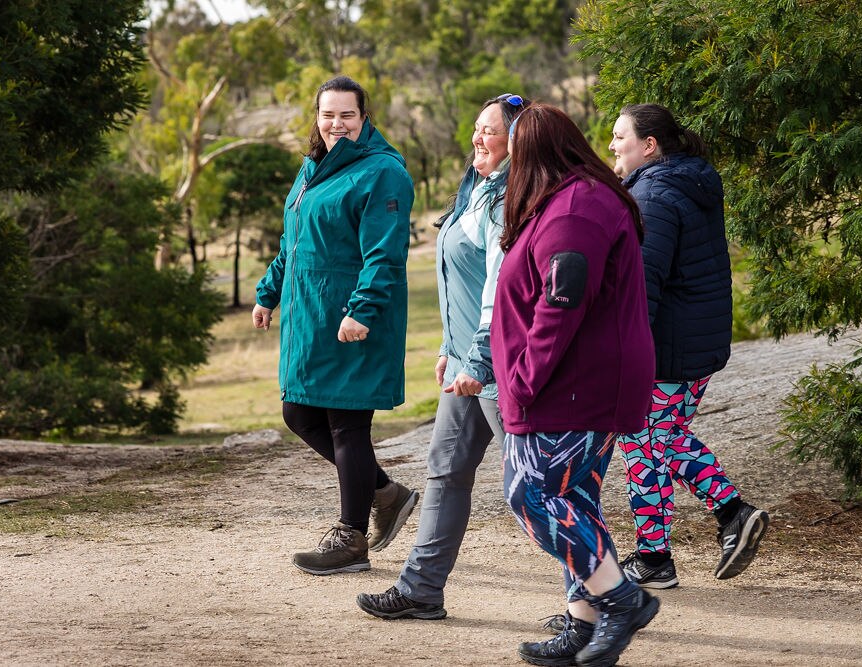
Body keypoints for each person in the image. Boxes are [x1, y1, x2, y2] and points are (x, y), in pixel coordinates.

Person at [356, 93, 531, 620]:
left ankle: (600, 595)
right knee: (446, 471)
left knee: (538, 489)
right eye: (476, 129)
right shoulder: (475, 188)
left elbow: (498, 291)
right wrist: (448, 350)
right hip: (466, 364)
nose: (478, 138)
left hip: (498, 368)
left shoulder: (508, 201)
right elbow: (461, 280)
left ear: (517, 142)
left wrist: (477, 362)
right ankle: (421, 590)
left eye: (490, 131)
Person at [494, 103, 658, 667]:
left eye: (515, 154)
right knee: (575, 501)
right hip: (570, 382)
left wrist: (521, 379)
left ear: (533, 155)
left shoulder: (575, 212)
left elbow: (560, 306)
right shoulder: (567, 201)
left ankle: (621, 598)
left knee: (532, 495)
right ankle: (584, 622)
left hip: (572, 384)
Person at [252, 76, 418, 576]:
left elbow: (385, 254)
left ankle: (351, 539)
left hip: (352, 319)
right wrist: (268, 292)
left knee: (347, 424)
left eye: (347, 115)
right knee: (298, 414)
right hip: (309, 320)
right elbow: (292, 242)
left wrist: (362, 310)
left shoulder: (382, 173)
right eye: (328, 114)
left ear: (364, 118)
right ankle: (386, 493)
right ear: (317, 117)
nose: (336, 124)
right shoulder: (311, 170)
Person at [609, 103, 769, 588]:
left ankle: (657, 556)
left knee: (642, 441)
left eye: (620, 137)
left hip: (667, 347)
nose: (613, 145)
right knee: (663, 438)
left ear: (649, 145)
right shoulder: (685, 182)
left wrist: (627, 350)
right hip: (694, 342)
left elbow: (646, 280)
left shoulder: (654, 194)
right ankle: (729, 515)